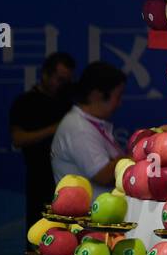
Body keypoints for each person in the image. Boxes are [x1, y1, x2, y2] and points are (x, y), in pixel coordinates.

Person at [9, 52, 76, 227]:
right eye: (60, 80)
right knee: (39, 230)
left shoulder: (68, 102)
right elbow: (18, 138)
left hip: (68, 177)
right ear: (45, 74)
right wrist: (54, 129)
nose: (63, 85)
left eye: (67, 81)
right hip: (39, 176)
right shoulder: (25, 102)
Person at [51, 62, 127, 190]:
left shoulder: (87, 123)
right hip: (90, 209)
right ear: (97, 95)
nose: (120, 104)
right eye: (118, 97)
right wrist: (136, 156)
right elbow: (103, 175)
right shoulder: (79, 128)